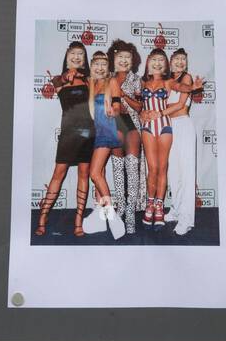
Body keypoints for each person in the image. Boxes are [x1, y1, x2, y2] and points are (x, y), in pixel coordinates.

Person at [35, 42, 94, 237]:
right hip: (69, 133)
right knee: (58, 174)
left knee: (84, 175)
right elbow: (58, 83)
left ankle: (78, 221)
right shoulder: (57, 79)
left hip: (88, 132)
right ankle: (43, 217)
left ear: (84, 59)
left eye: (80, 54)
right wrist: (68, 75)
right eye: (73, 54)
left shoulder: (89, 80)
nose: (77, 57)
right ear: (66, 57)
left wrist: (83, 76)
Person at [162, 48, 204, 237]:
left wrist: (159, 111)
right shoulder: (168, 80)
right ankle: (176, 210)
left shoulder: (186, 78)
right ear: (170, 62)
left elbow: (179, 105)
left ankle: (187, 220)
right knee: (174, 172)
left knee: (186, 173)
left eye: (183, 59)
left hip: (183, 126)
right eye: (177, 59)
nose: (180, 62)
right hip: (170, 128)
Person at [85, 51, 127, 239]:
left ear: (107, 67)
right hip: (94, 134)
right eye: (96, 64)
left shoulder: (112, 82)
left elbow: (117, 106)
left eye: (103, 64)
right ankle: (100, 219)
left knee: (94, 174)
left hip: (107, 132)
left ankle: (111, 216)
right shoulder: (91, 84)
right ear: (92, 66)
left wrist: (114, 110)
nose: (100, 67)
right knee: (99, 174)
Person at [108, 39, 144, 234]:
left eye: (127, 57)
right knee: (117, 168)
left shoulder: (136, 80)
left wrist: (122, 95)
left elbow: (139, 107)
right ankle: (121, 206)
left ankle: (131, 211)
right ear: (113, 58)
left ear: (133, 60)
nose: (123, 60)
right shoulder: (107, 77)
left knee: (132, 167)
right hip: (113, 126)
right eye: (120, 56)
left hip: (131, 125)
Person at [136, 48, 173, 227]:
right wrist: (142, 112)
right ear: (148, 63)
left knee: (163, 167)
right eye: (154, 59)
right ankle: (149, 204)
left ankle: (159, 206)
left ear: (165, 65)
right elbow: (137, 106)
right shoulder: (142, 83)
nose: (157, 63)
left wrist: (191, 87)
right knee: (152, 168)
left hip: (165, 125)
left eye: (161, 60)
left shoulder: (168, 82)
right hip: (148, 127)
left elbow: (182, 93)